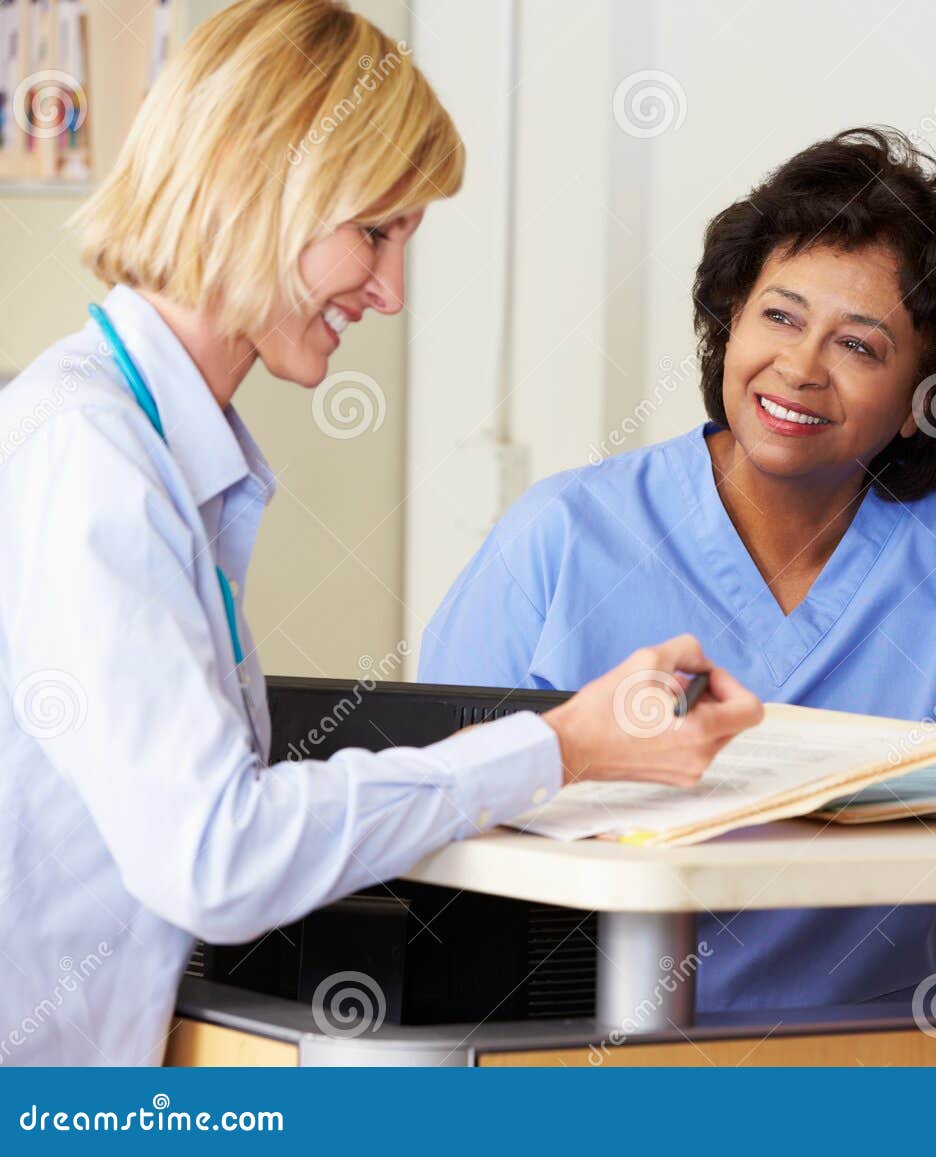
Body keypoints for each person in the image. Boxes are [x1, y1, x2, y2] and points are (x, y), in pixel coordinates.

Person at [0, 0, 761, 1066]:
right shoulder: (91, 452)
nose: (394, 292)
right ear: (254, 190)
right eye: (375, 232)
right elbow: (215, 856)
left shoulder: (138, 442)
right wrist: (564, 743)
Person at [423, 128, 936, 1015]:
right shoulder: (566, 533)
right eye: (779, 315)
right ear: (730, 320)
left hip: (931, 1055)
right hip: (605, 1046)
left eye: (859, 347)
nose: (799, 368)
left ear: (924, 399)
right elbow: (434, 794)